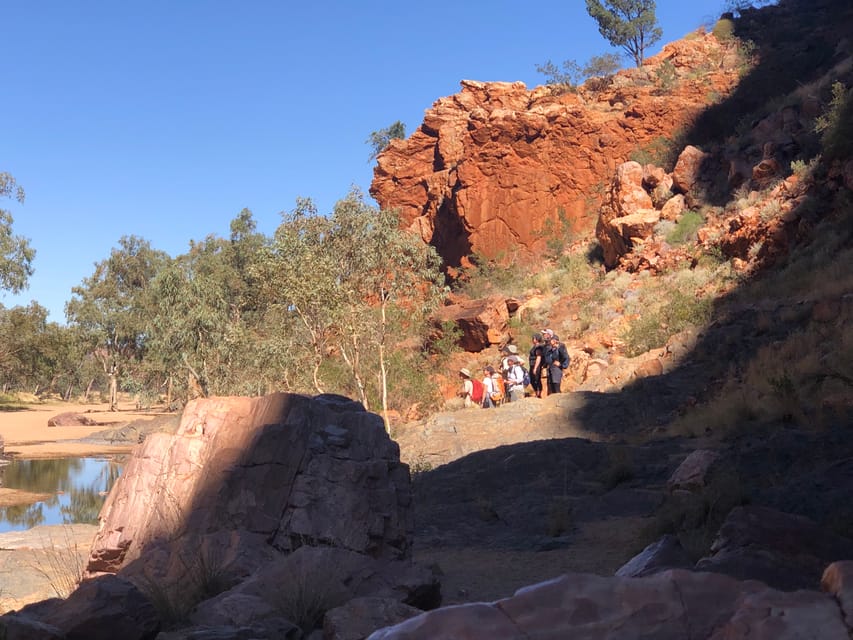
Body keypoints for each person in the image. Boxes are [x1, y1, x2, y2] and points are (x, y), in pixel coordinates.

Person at [528, 333, 545, 398]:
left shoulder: (539, 347)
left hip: (536, 365)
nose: (532, 339)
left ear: (537, 339)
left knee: (537, 379)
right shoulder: (534, 346)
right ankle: (536, 392)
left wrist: (535, 367)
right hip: (532, 365)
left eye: (534, 338)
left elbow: (539, 357)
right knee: (532, 379)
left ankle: (539, 393)